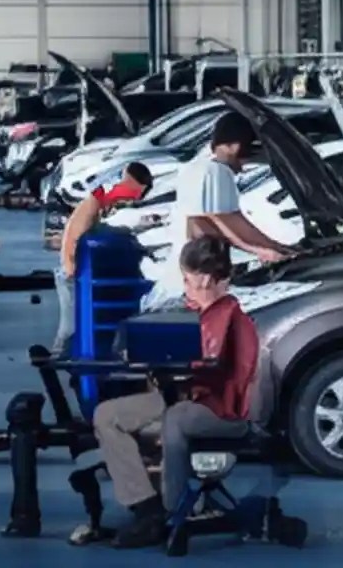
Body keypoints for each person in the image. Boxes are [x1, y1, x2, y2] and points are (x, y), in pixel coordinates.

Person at [92, 235, 260, 549]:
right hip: (183, 395)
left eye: (187, 279)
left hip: (218, 406)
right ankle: (145, 507)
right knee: (108, 415)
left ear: (206, 278)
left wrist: (178, 367)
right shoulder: (191, 313)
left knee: (177, 417)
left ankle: (173, 509)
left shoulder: (230, 319)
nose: (185, 287)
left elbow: (218, 372)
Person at [154, 112, 291, 301]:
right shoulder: (217, 172)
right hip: (201, 279)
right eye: (247, 154)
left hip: (183, 277)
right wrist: (265, 249)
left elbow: (228, 221)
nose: (243, 166)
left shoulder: (196, 168)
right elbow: (224, 221)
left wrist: (273, 246)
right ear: (235, 147)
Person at [53, 162, 154, 353]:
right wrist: (71, 266)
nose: (133, 201)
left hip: (76, 270)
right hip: (74, 272)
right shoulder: (94, 204)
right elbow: (76, 237)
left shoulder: (99, 201)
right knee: (73, 324)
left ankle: (64, 354)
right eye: (135, 195)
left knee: (76, 322)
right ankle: (60, 354)